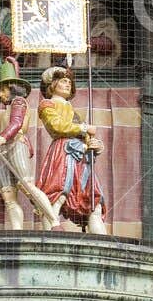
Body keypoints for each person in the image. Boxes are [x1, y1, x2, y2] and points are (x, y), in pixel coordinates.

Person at [0, 59, 58, 230]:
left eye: (2, 90)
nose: (0, 95)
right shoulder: (5, 110)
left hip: (16, 145)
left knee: (26, 185)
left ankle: (54, 221)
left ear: (12, 87)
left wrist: (0, 139)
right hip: (3, 150)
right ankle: (17, 230)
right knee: (8, 196)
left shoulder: (19, 102)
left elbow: (16, 124)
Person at [36, 66, 107, 234]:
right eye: (63, 81)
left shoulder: (73, 112)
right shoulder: (48, 104)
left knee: (93, 201)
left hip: (81, 156)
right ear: (52, 84)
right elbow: (56, 126)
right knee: (58, 193)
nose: (68, 84)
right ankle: (51, 233)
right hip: (63, 152)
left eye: (69, 82)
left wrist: (96, 146)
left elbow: (86, 137)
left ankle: (101, 241)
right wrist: (83, 128)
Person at [33, 0, 122, 68]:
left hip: (82, 67)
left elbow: (110, 43)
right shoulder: (45, 10)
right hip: (51, 68)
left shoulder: (94, 9)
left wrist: (79, 41)